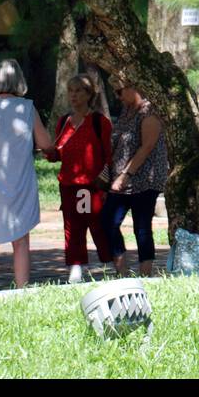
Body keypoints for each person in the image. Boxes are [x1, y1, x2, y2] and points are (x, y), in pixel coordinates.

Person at [0, 59, 51, 292]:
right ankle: (22, 290)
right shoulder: (27, 108)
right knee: (21, 239)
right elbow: (45, 143)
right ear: (20, 81)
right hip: (20, 181)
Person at [45, 73, 114, 284]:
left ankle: (109, 263)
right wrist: (49, 152)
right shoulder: (64, 122)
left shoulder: (98, 121)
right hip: (67, 184)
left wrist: (105, 186)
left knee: (94, 223)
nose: (73, 96)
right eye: (70, 91)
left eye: (78, 91)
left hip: (88, 186)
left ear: (88, 94)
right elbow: (57, 153)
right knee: (72, 226)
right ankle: (76, 267)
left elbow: (108, 154)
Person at [101, 76, 169, 277]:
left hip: (144, 180)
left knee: (142, 226)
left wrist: (125, 175)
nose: (117, 96)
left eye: (119, 91)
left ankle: (145, 274)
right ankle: (122, 270)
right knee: (108, 220)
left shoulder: (149, 111)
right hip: (120, 180)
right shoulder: (127, 111)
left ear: (133, 87)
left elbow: (146, 147)